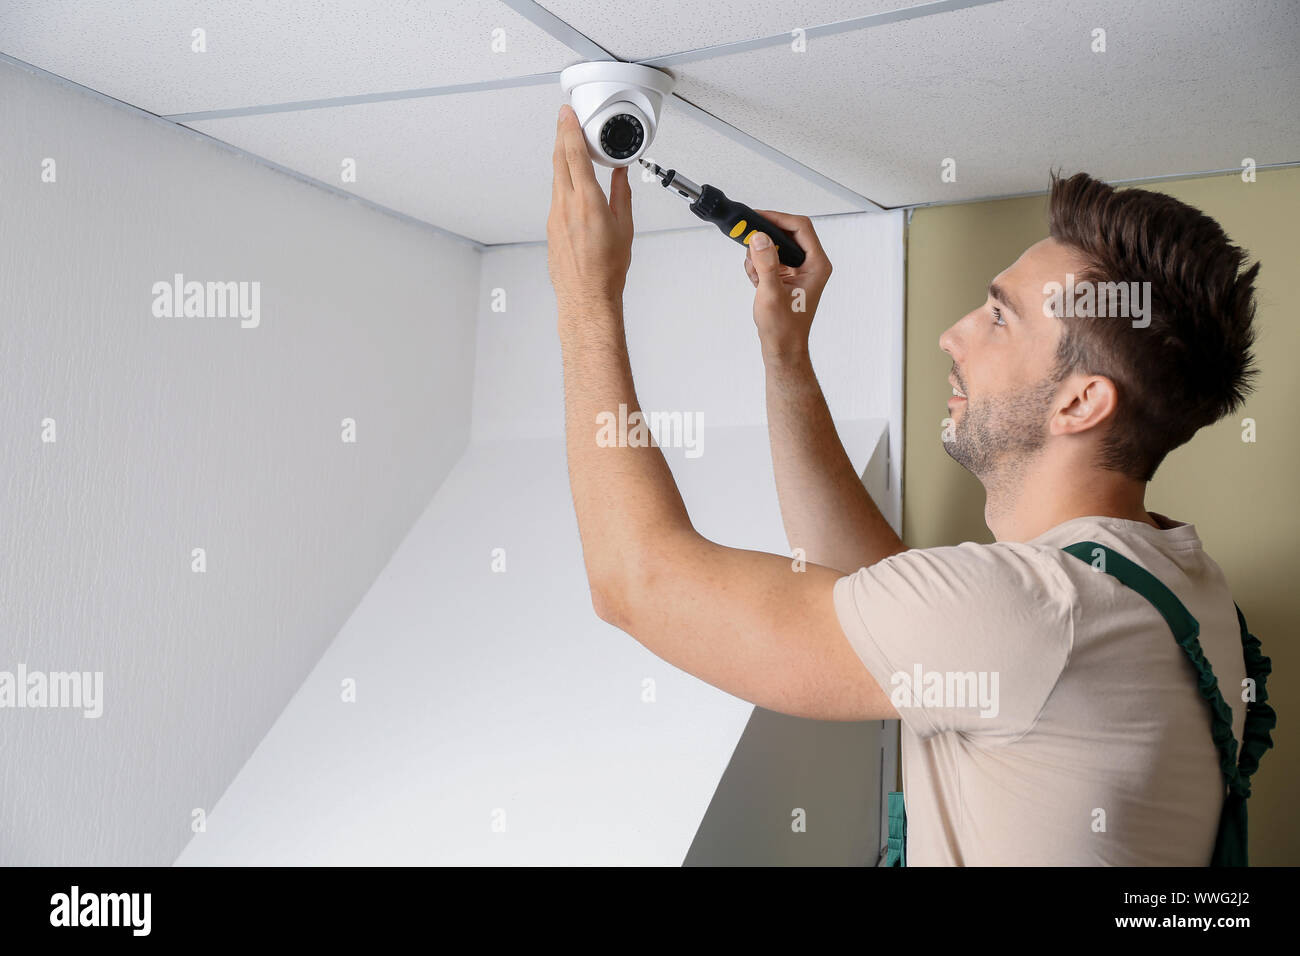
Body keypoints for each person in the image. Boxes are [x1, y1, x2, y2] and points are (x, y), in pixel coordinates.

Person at [546, 103, 1271, 865]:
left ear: (1080, 402)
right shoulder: (1168, 578)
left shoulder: (1036, 611)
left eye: (999, 317)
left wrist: (585, 299)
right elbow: (886, 592)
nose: (951, 335)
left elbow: (636, 582)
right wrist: (786, 355)